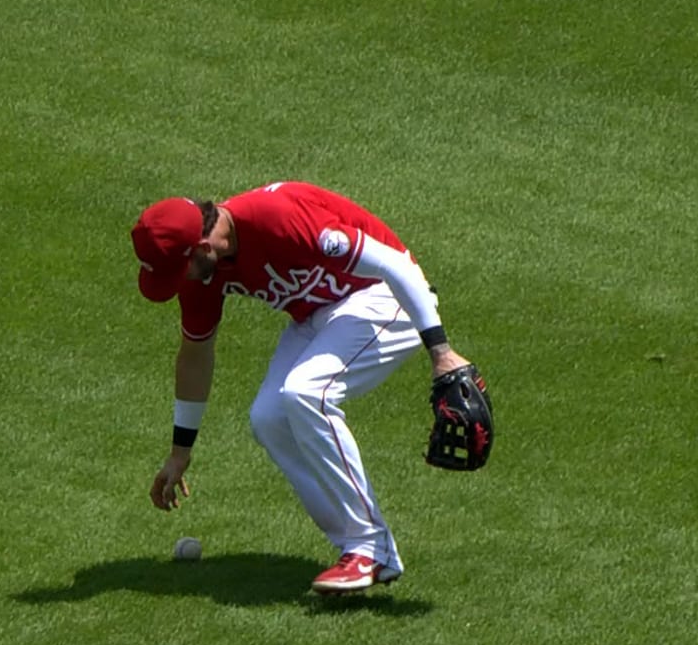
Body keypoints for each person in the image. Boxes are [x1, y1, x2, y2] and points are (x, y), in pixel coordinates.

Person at [131, 181, 473, 593]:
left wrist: (441, 352)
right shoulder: (202, 271)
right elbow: (195, 353)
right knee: (269, 417)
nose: (177, 282)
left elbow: (396, 266)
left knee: (307, 392)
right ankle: (355, 547)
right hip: (320, 314)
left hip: (387, 296)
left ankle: (372, 548)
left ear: (202, 246)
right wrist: (179, 452)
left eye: (176, 269)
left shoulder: (277, 219)